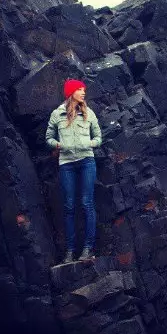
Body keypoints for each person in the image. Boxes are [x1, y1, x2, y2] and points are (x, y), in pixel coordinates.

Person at [45, 79, 102, 264]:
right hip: (66, 163)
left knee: (87, 203)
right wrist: (58, 144)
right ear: (71, 92)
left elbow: (99, 137)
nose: (83, 92)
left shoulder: (89, 113)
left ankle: (88, 248)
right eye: (79, 89)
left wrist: (89, 144)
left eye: (83, 89)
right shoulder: (57, 114)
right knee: (69, 206)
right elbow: (48, 137)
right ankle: (70, 251)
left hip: (87, 162)